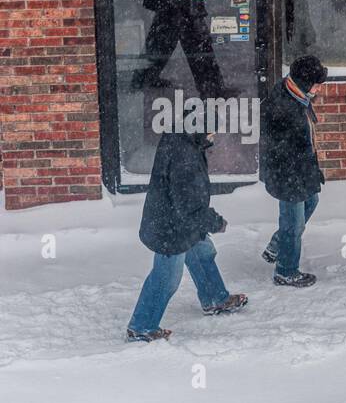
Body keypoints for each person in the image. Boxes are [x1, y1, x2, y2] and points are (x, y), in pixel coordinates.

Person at [127, 131, 248, 342]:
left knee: (202, 251)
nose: (214, 136)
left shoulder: (183, 141)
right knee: (166, 278)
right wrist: (215, 222)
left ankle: (214, 298)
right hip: (170, 228)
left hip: (177, 221)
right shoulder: (185, 155)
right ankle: (141, 327)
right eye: (211, 130)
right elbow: (189, 206)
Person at [261, 55, 329, 288]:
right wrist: (298, 175)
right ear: (303, 81)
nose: (319, 88)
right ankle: (286, 271)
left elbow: (304, 141)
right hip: (288, 174)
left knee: (311, 202)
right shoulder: (284, 107)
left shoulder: (295, 93)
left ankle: (277, 246)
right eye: (316, 83)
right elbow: (284, 150)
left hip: (299, 170)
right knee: (293, 223)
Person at [131, 0, 228, 98]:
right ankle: (212, 89)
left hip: (176, 5)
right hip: (179, 6)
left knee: (164, 45)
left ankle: (141, 82)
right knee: (194, 46)